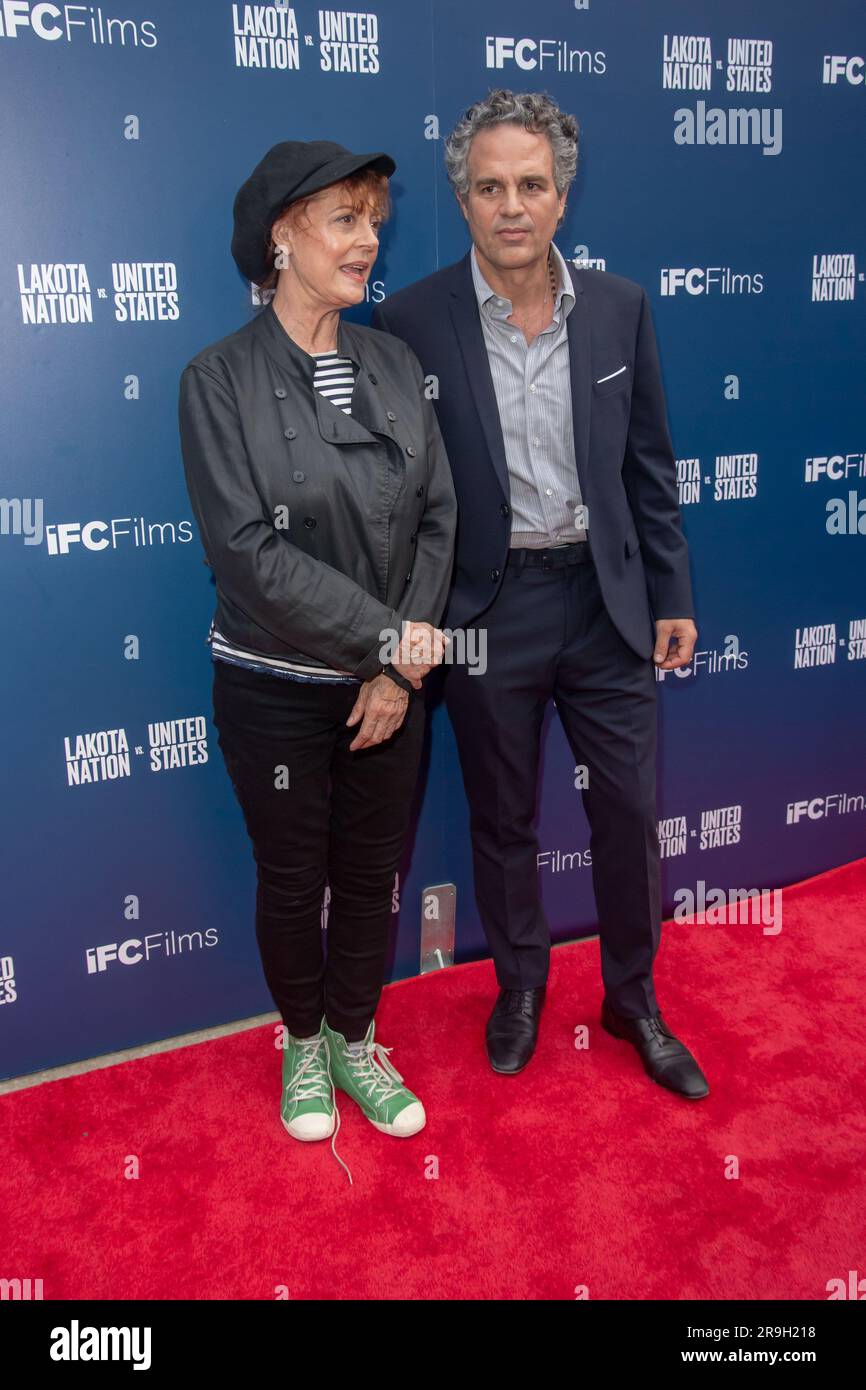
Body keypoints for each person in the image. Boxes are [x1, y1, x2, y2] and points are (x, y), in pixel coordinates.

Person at [371, 91, 709, 1098]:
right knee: (502, 815)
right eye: (488, 187)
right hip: (485, 610)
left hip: (605, 604)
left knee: (627, 810)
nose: (510, 205)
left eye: (530, 184)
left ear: (561, 196)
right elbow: (401, 495)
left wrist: (669, 592)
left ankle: (631, 997)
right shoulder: (410, 319)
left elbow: (648, 467)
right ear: (462, 202)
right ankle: (517, 988)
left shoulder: (618, 307)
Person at [178, 140, 458, 1170]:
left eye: (371, 217)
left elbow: (439, 514)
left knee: (372, 872)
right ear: (279, 238)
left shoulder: (391, 362)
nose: (367, 237)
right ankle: (301, 1044)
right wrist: (384, 640)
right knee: (295, 879)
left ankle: (354, 1038)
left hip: (392, 690)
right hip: (274, 688)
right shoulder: (217, 380)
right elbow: (247, 555)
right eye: (342, 217)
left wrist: (394, 670)